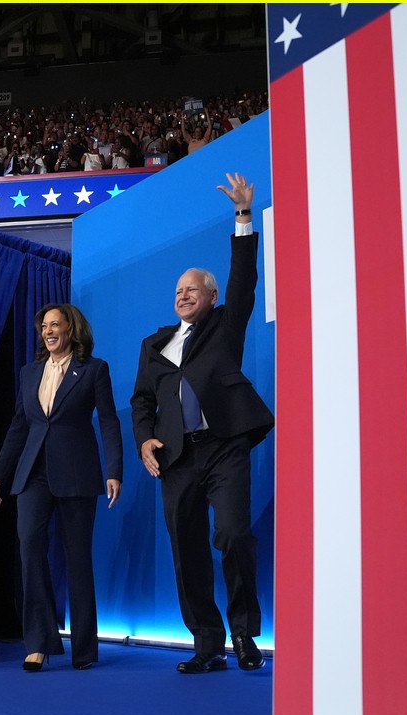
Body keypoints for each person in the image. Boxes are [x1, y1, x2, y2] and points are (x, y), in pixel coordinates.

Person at [130, 172, 274, 674]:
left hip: (224, 447)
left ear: (211, 297)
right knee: (185, 548)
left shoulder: (225, 325)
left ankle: (242, 632)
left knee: (233, 535)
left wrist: (242, 217)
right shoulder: (155, 343)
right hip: (175, 457)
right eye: (179, 290)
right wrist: (144, 437)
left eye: (193, 289)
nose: (184, 294)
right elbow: (142, 399)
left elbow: (243, 275)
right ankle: (208, 643)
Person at [0, 304, 123, 671]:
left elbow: (108, 421)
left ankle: (83, 649)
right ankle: (39, 641)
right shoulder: (28, 373)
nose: (48, 331)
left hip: (77, 472)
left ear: (71, 329)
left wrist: (114, 469)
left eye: (55, 325)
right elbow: (19, 426)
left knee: (78, 560)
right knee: (30, 548)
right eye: (43, 326)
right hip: (33, 474)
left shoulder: (94, 369)